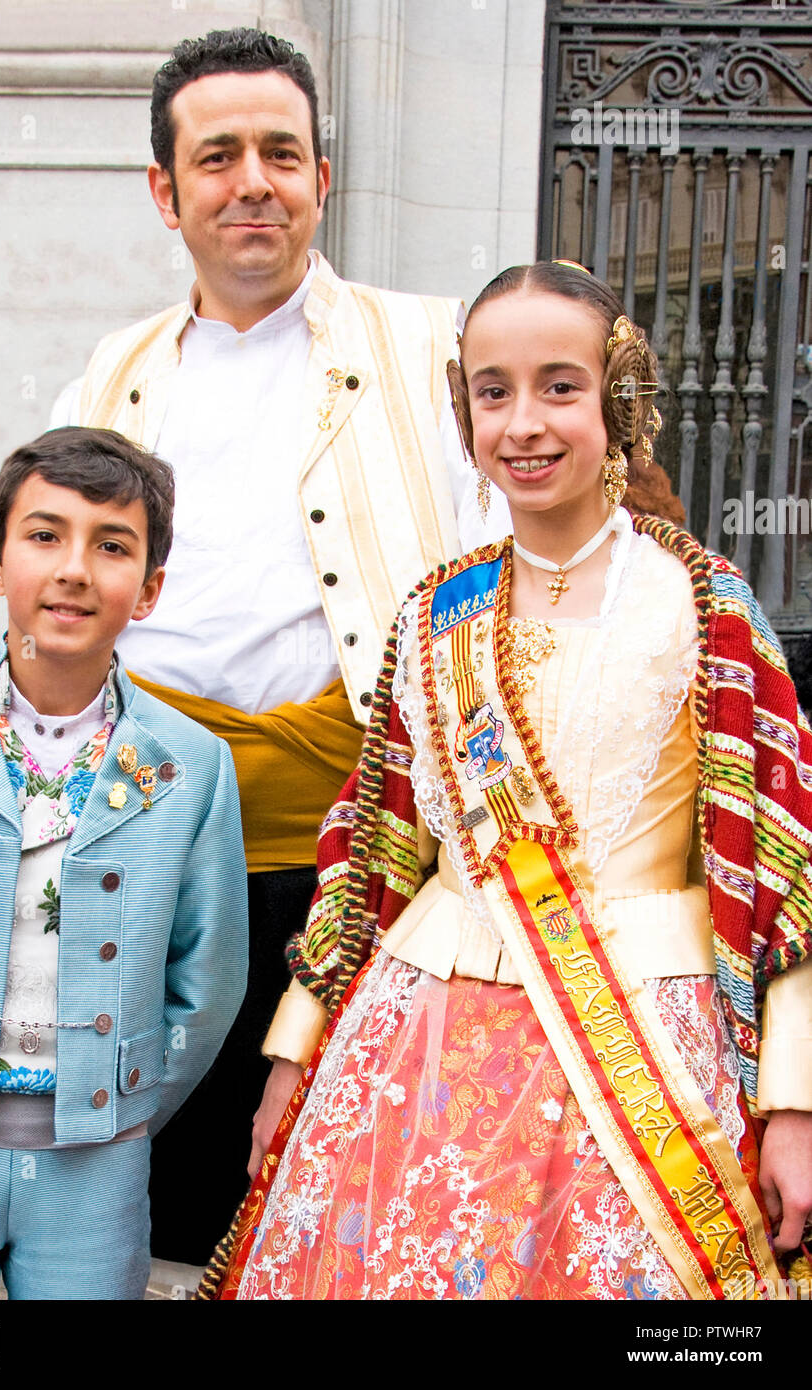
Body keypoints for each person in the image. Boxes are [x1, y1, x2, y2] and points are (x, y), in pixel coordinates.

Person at [202, 262, 812, 1301]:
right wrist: (293, 1056)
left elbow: (789, 875)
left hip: (642, 1068)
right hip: (413, 1055)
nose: (524, 421)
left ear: (619, 396)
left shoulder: (705, 608)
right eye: (494, 390)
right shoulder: (435, 615)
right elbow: (375, 852)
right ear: (463, 407)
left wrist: (793, 1104)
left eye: (559, 385)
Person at [52, 26, 510, 1264]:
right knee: (160, 1175)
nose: (252, 179)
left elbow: (516, 560)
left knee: (344, 1169)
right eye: (218, 156)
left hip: (363, 836)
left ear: (321, 176)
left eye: (281, 152)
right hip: (145, 832)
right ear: (167, 190)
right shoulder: (113, 368)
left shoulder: (438, 349)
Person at [0, 426, 247, 1299]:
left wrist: (120, 1102)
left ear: (148, 589)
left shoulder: (189, 763)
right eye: (45, 535)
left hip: (92, 1151)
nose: (74, 569)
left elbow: (207, 978)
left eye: (111, 547)